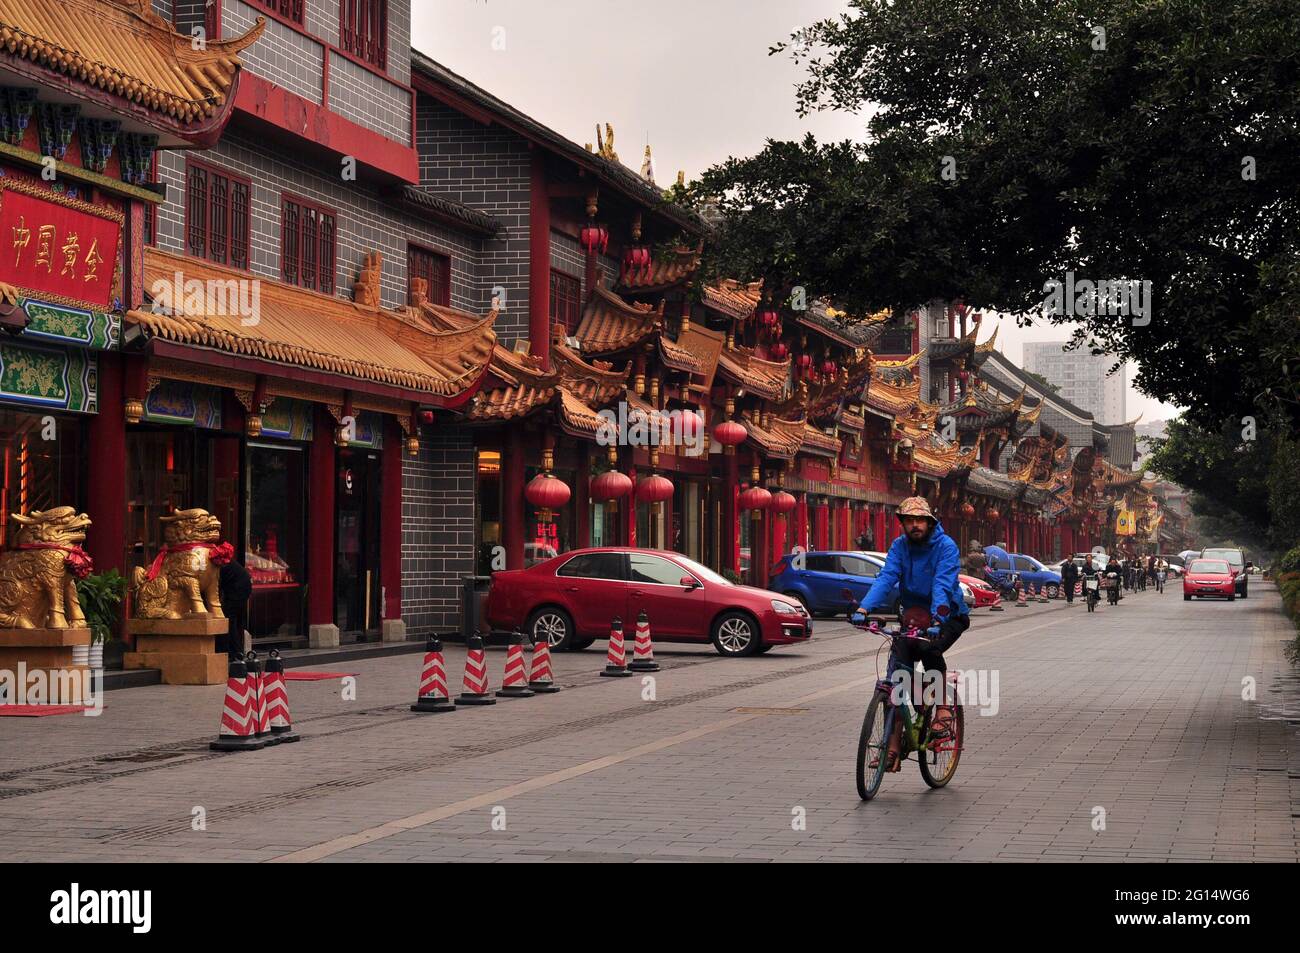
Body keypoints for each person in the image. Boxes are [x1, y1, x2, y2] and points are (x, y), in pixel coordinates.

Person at [850, 497, 970, 772]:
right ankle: (891, 749)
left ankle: (942, 708)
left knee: (929, 649)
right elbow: (886, 578)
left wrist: (939, 619)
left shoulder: (946, 547)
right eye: (909, 521)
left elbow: (942, 582)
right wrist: (864, 608)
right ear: (903, 523)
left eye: (919, 520)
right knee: (896, 678)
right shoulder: (899, 546)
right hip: (914, 615)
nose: (914, 525)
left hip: (948, 614)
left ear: (929, 522)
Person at [218, 558, 253, 661]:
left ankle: (235, 652)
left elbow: (217, 585)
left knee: (228, 620)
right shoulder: (221, 560)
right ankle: (235, 651)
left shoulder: (216, 562)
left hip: (238, 589)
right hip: (239, 587)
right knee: (231, 620)